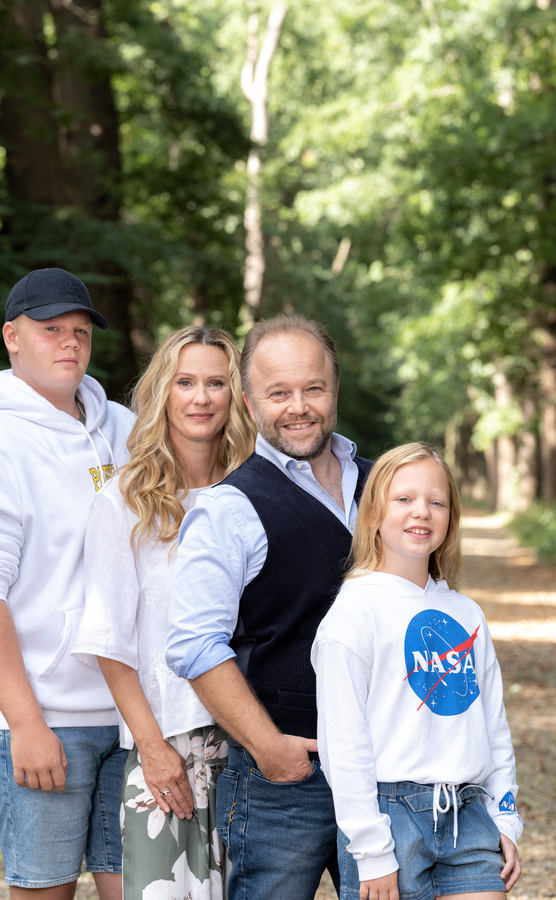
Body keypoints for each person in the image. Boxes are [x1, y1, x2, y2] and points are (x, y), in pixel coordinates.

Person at [0, 267, 135, 900]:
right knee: (46, 891)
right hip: (42, 718)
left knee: (142, 890)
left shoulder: (125, 431)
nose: (70, 343)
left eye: (80, 331)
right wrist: (25, 723)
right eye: (51, 330)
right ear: (12, 338)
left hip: (132, 717)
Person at [165, 314, 375, 899]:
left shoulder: (386, 486)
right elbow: (193, 645)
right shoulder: (229, 508)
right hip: (288, 778)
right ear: (250, 401)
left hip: (390, 768)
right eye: (278, 392)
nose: (298, 406)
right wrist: (267, 747)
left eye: (313, 388)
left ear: (334, 388)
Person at [71, 326, 255, 899]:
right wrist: (152, 749)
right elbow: (108, 640)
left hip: (251, 743)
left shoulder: (255, 495)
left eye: (217, 383)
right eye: (186, 382)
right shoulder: (123, 500)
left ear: (237, 396)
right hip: (168, 746)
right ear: (163, 394)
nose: (201, 397)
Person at [311, 443, 523, 900]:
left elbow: (493, 725)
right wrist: (371, 851)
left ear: (450, 519)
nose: (421, 512)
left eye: (437, 501)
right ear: (372, 514)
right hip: (391, 819)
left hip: (468, 813)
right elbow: (343, 745)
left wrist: (505, 815)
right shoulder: (353, 614)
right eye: (403, 499)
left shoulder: (466, 613)